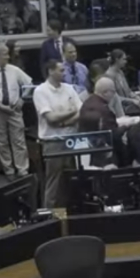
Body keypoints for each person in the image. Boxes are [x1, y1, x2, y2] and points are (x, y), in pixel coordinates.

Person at [32, 60, 85, 207]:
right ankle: (49, 215)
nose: (64, 73)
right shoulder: (41, 91)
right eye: (61, 70)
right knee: (53, 181)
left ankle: (71, 211)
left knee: (71, 179)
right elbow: (51, 118)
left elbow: (81, 111)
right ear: (50, 71)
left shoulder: (69, 88)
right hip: (53, 142)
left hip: (72, 140)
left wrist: (66, 122)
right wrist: (71, 111)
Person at [0, 45, 33, 179]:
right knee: (1, 142)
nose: (8, 57)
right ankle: (9, 170)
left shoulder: (15, 70)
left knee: (19, 141)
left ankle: (22, 170)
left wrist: (22, 100)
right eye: (4, 54)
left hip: (15, 110)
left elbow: (29, 83)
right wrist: (1, 107)